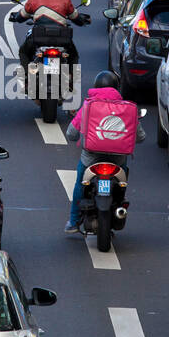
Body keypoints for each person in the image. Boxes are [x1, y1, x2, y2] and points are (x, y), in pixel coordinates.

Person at [64, 71, 145, 234]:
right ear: (117, 87)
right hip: (117, 161)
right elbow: (141, 137)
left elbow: (71, 134)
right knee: (123, 180)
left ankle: (73, 221)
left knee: (80, 183)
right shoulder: (127, 107)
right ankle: (120, 201)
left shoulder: (88, 105)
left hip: (90, 159)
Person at [11, 0, 84, 71]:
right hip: (62, 38)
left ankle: (26, 75)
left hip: (38, 36)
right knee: (74, 55)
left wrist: (15, 17)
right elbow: (75, 17)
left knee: (23, 51)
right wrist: (83, 20)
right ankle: (71, 79)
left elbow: (22, 16)